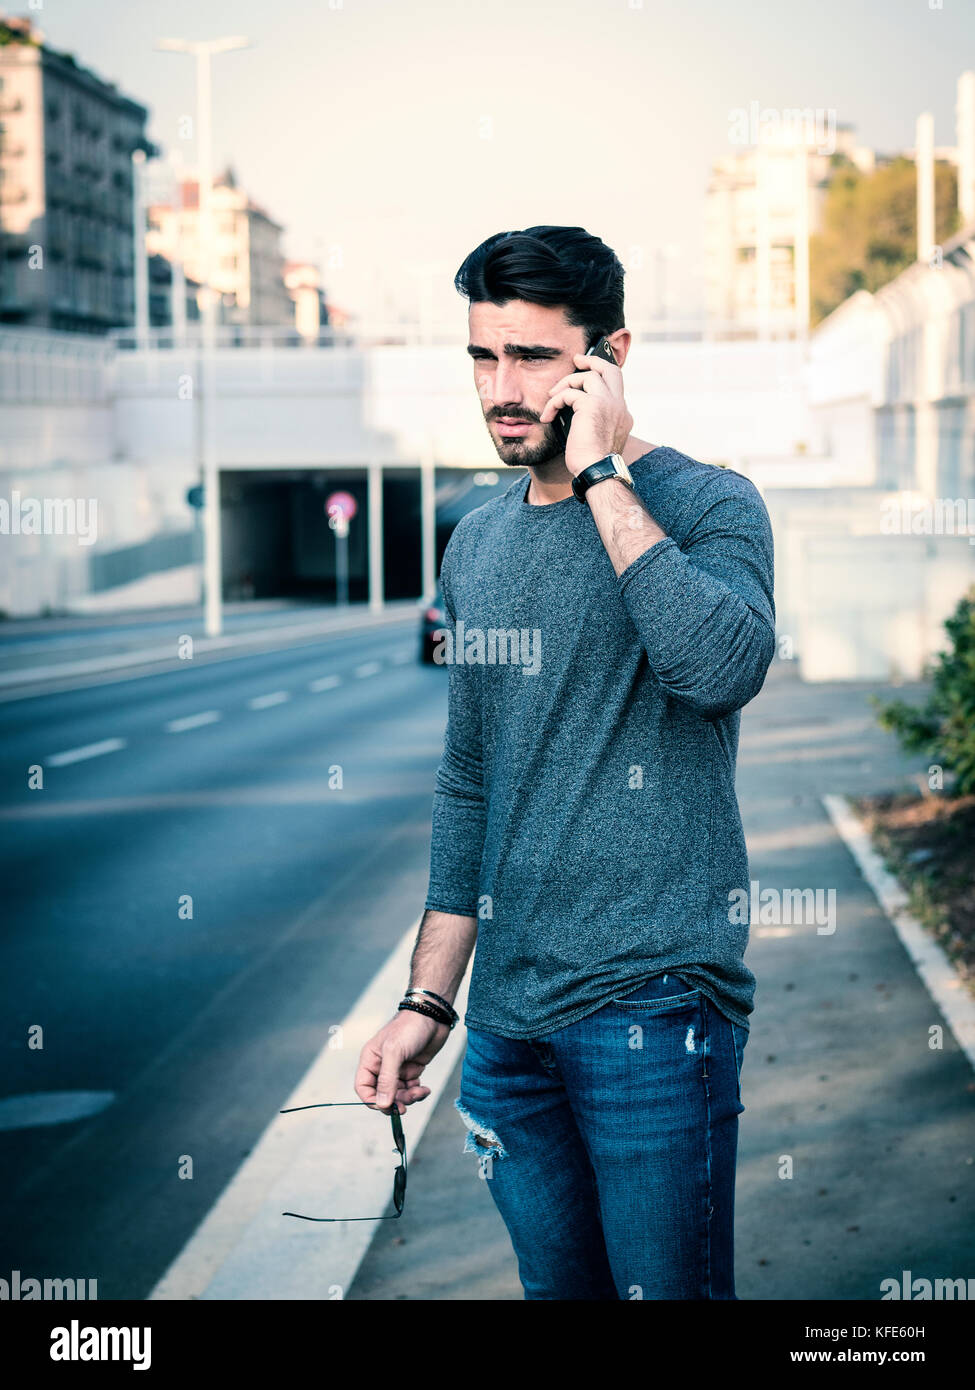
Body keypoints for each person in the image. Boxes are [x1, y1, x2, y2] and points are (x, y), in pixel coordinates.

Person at [355, 225, 775, 1300]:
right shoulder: (476, 543)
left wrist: (599, 471)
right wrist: (429, 1002)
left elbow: (721, 666)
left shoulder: (706, 503)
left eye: (534, 357)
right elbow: (467, 780)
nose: (501, 388)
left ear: (608, 359)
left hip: (655, 1006)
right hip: (507, 1027)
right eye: (484, 357)